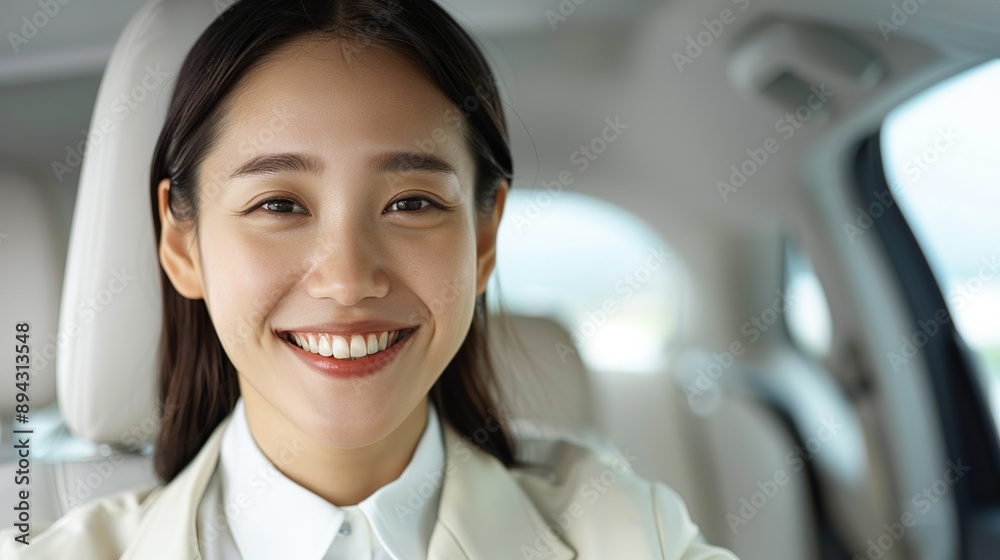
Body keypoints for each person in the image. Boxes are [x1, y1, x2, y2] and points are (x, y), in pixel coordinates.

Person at [1, 0, 740, 558]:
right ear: (183, 242)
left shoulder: (631, 534)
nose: (349, 279)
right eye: (279, 204)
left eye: (412, 203)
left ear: (484, 238)